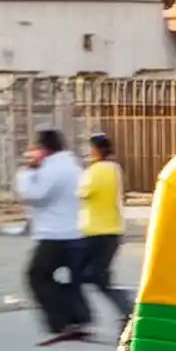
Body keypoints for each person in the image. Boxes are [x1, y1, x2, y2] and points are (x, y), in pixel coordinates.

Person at [17, 128, 90, 346]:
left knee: (37, 276)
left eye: (35, 148)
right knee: (70, 279)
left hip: (55, 234)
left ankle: (61, 322)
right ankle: (79, 318)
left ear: (44, 149)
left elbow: (33, 195)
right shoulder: (74, 165)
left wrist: (27, 172)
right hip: (76, 230)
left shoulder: (52, 168)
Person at [78, 133, 132, 332]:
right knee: (99, 277)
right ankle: (124, 307)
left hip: (95, 231)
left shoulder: (95, 171)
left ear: (96, 150)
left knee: (83, 275)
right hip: (113, 230)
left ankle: (80, 316)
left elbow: (82, 193)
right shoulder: (115, 169)